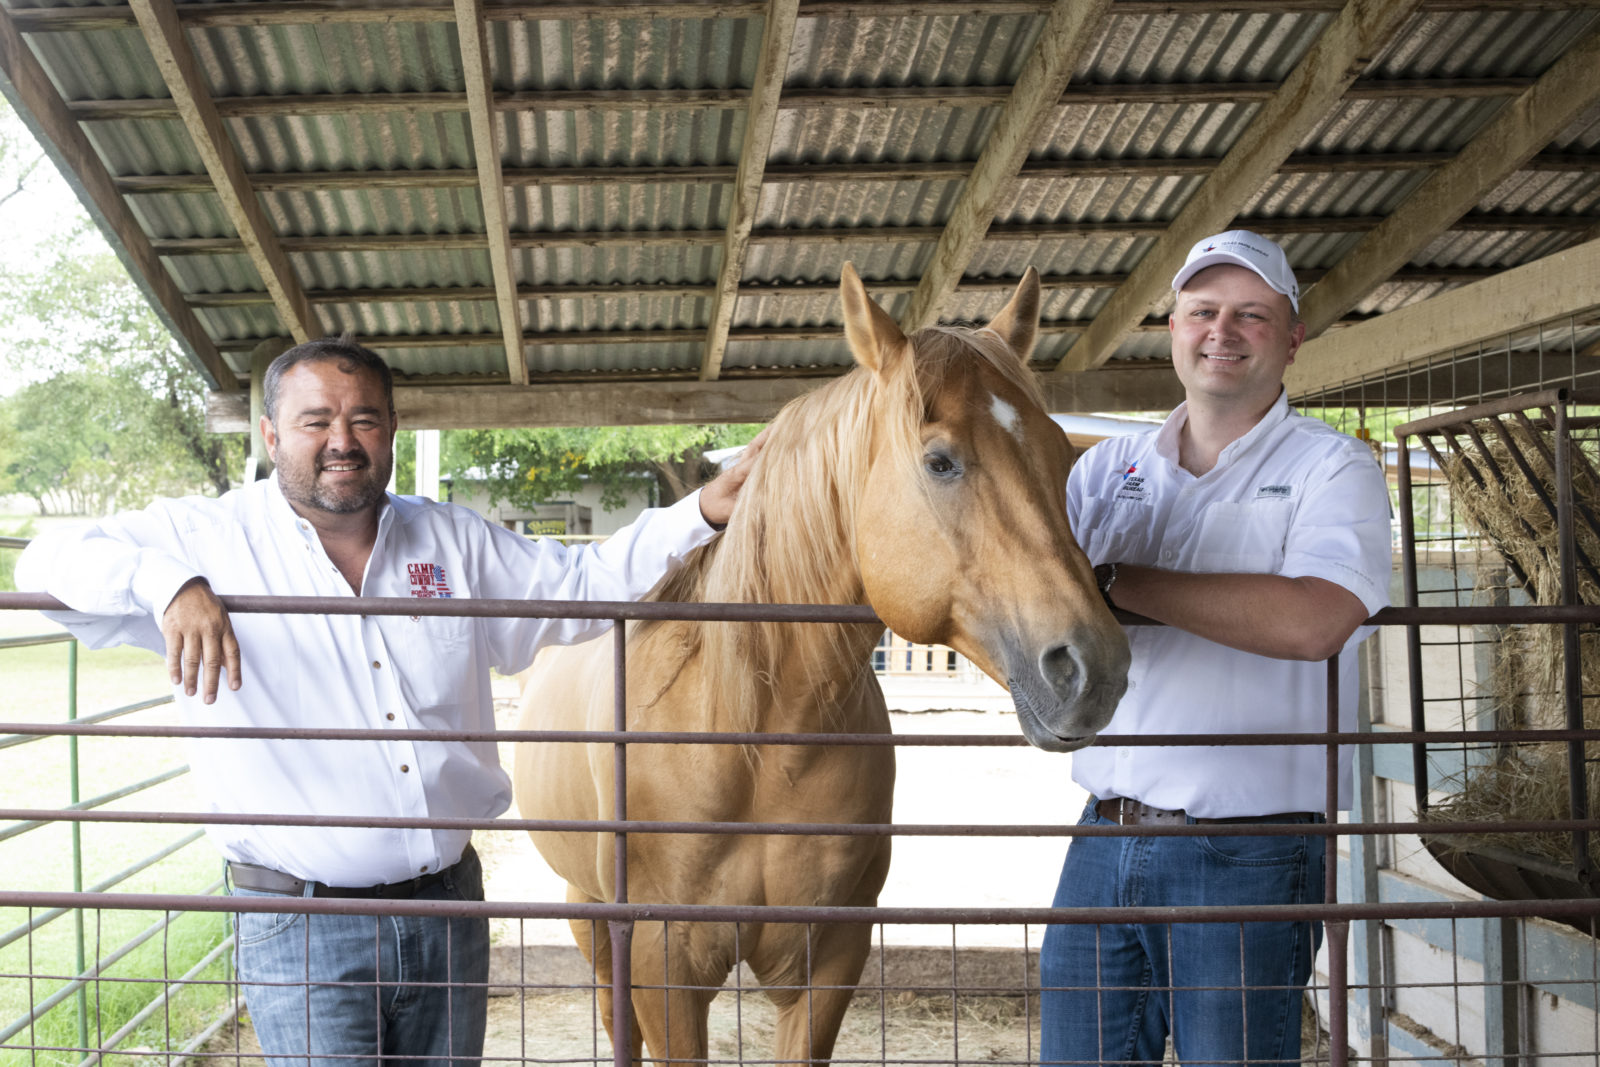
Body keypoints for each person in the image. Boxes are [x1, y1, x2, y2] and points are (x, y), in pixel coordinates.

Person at [13, 335, 762, 1067]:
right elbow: (48, 563)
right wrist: (170, 586)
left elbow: (582, 584)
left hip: (446, 911)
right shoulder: (205, 538)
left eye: (363, 418)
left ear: (393, 430)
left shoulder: (451, 541)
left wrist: (699, 511)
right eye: (316, 421)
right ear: (273, 434)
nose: (341, 440)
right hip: (302, 924)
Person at [1040, 231, 1392, 1065]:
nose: (1221, 332)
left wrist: (1123, 583)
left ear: (1293, 338)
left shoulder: (1333, 468)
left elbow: (1317, 619)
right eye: (1203, 311)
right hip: (1106, 828)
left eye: (1251, 316)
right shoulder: (1106, 469)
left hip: (1251, 847)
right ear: (1172, 327)